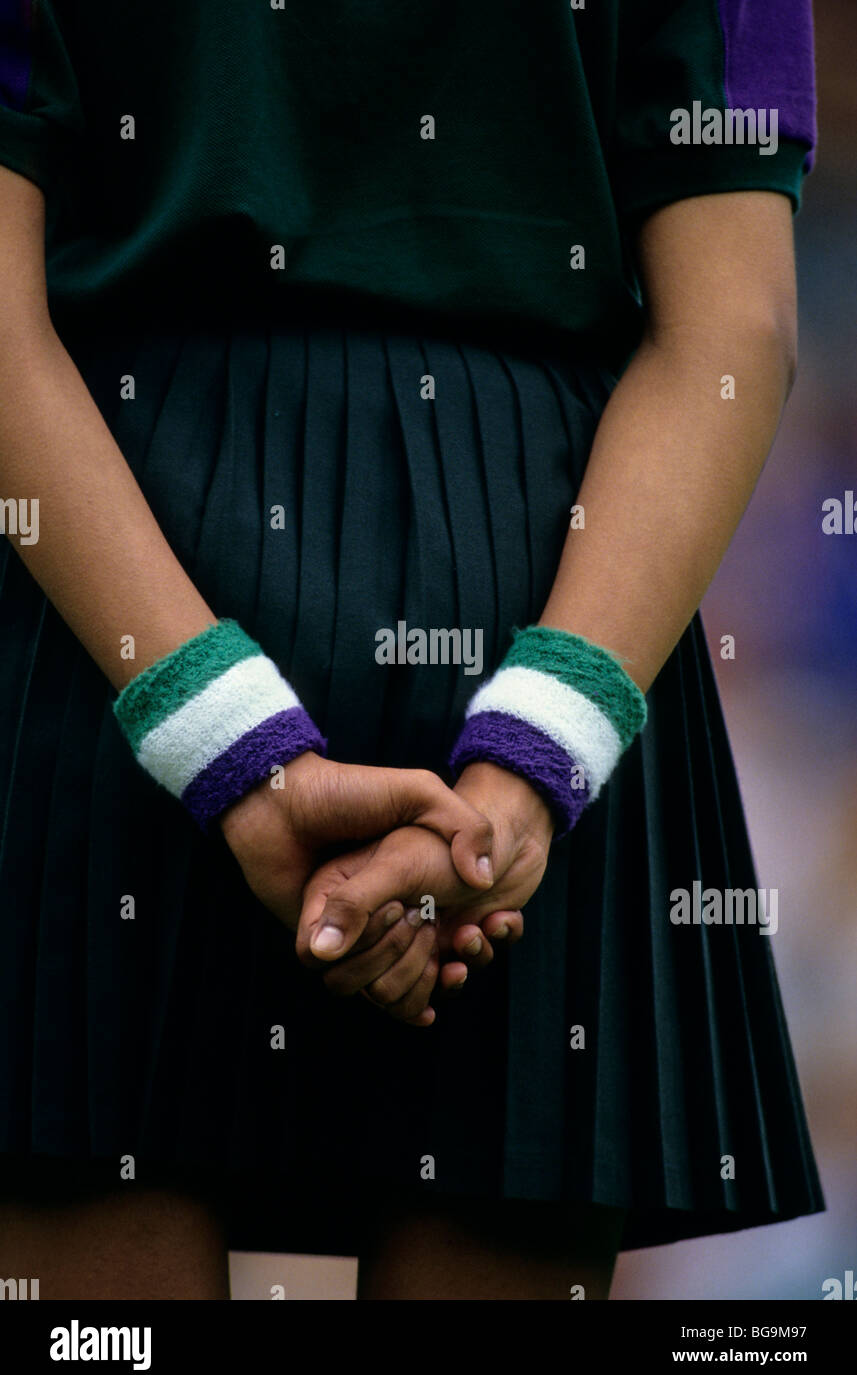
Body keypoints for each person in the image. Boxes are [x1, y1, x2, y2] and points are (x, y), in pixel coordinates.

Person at [0, 1, 823, 1299]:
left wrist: (221, 738)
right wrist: (526, 774)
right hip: (552, 584)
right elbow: (736, 327)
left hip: (98, 617)